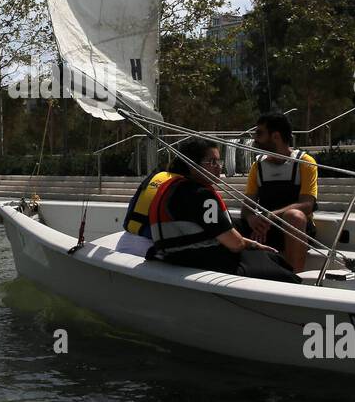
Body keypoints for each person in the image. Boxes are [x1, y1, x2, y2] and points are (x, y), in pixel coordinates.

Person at [136, 137, 301, 283]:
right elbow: (235, 244)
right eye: (212, 162)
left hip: (175, 257)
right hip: (201, 260)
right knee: (278, 266)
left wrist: (251, 243)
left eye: (219, 161)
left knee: (268, 257)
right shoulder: (201, 195)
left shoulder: (173, 187)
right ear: (192, 164)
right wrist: (253, 246)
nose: (219, 167)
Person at [240, 113, 319, 273]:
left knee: (294, 216)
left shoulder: (305, 162)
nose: (255, 139)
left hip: (295, 227)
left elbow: (307, 205)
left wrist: (271, 216)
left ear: (275, 136)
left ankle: (294, 278)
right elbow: (247, 207)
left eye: (259, 133)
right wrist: (252, 219)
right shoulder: (257, 166)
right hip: (265, 227)